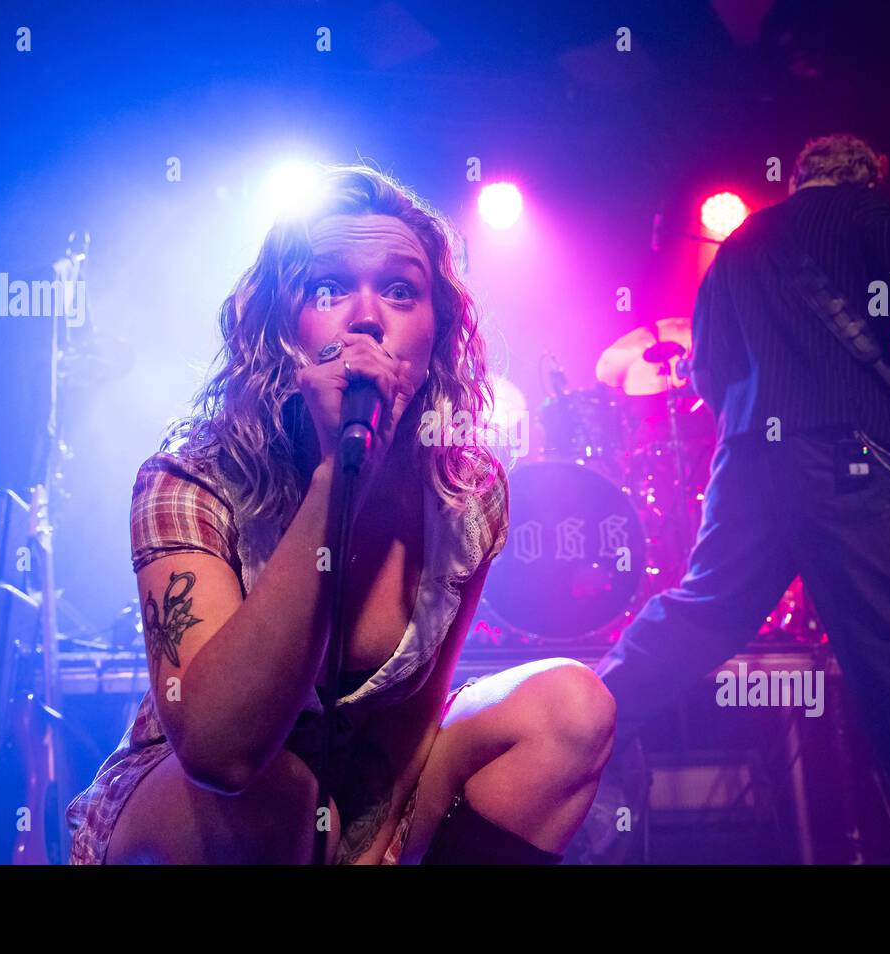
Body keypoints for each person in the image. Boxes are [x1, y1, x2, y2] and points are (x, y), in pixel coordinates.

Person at [66, 165, 615, 865]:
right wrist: (335, 481)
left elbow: (416, 709)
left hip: (353, 806)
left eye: (399, 290)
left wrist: (376, 842)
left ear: (437, 331)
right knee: (287, 799)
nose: (365, 314)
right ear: (279, 326)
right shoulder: (191, 481)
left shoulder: (467, 495)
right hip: (201, 811)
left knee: (570, 708)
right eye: (328, 287)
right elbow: (217, 751)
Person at [591, 134, 890, 834]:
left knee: (702, 612)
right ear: (866, 175)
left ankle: (578, 723)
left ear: (800, 177)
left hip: (746, 461)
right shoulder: (875, 212)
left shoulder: (738, 245)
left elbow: (709, 376)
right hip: (851, 453)